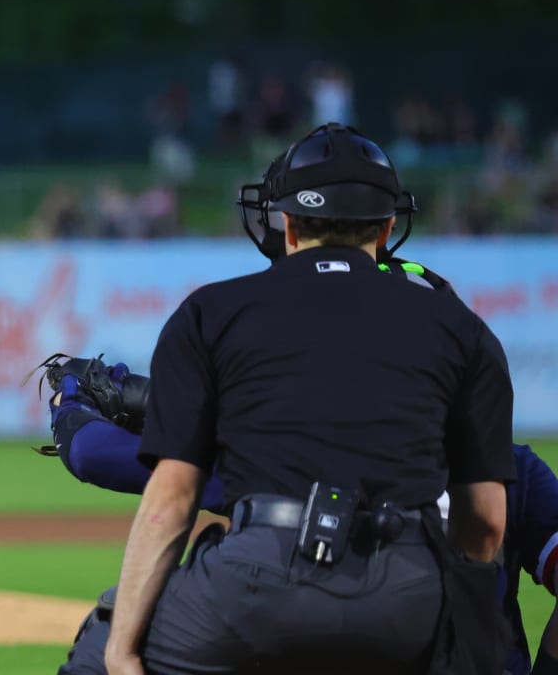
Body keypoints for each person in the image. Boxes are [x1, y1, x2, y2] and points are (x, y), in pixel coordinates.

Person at [58, 123, 514, 675]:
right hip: (407, 589)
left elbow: (172, 498)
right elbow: (486, 523)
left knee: (98, 647)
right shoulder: (462, 327)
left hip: (255, 583)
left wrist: (122, 651)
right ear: (389, 228)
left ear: (287, 223)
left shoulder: (211, 313)